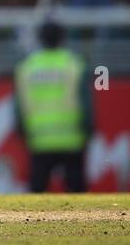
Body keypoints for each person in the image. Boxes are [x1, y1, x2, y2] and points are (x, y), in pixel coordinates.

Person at [13, 20, 93, 192]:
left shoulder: (27, 67)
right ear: (62, 38)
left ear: (40, 39)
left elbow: (19, 104)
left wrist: (21, 131)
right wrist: (88, 130)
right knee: (78, 195)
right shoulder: (75, 64)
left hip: (39, 139)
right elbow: (86, 103)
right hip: (72, 138)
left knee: (36, 194)